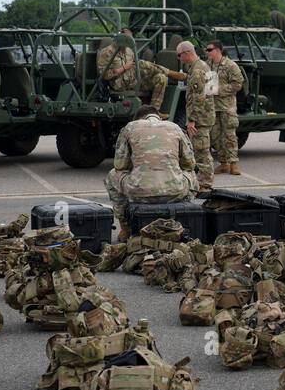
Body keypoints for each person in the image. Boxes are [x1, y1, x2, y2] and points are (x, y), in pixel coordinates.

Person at [105, 105, 198, 241]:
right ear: (159, 117)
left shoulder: (130, 128)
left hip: (139, 192)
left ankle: (125, 229)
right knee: (192, 174)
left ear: (139, 119)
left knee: (112, 175)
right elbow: (189, 164)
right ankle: (183, 219)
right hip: (175, 191)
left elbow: (120, 165)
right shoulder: (175, 128)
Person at [95, 28, 185, 111]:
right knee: (141, 63)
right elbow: (103, 75)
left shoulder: (129, 50)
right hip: (118, 85)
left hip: (133, 82)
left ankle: (153, 111)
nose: (129, 42)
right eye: (127, 39)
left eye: (130, 39)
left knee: (161, 78)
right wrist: (123, 68)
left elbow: (133, 67)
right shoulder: (106, 52)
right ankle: (171, 73)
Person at [179, 40, 215, 194]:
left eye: (179, 55)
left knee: (201, 151)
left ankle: (205, 184)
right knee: (202, 149)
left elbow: (198, 97)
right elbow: (213, 89)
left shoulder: (197, 70)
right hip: (206, 115)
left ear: (187, 53)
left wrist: (192, 119)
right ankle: (203, 182)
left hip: (200, 118)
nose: (179, 58)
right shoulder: (205, 66)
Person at [205, 39, 246, 176]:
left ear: (218, 50)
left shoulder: (230, 65)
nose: (207, 52)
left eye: (209, 50)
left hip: (227, 107)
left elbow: (238, 84)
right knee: (216, 136)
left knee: (229, 136)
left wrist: (219, 89)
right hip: (213, 107)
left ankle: (233, 164)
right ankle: (223, 164)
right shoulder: (208, 65)